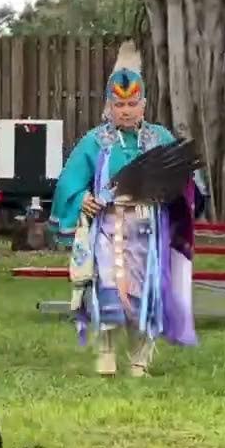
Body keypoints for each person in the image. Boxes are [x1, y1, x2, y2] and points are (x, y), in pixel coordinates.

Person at [50, 41, 205, 377]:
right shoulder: (95, 141)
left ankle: (140, 360)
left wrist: (180, 192)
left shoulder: (160, 139)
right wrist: (82, 200)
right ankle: (105, 354)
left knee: (146, 293)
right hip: (108, 228)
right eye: (119, 104)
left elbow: (190, 182)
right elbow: (68, 182)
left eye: (132, 103)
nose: (126, 111)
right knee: (108, 287)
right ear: (109, 106)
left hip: (149, 232)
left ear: (144, 104)